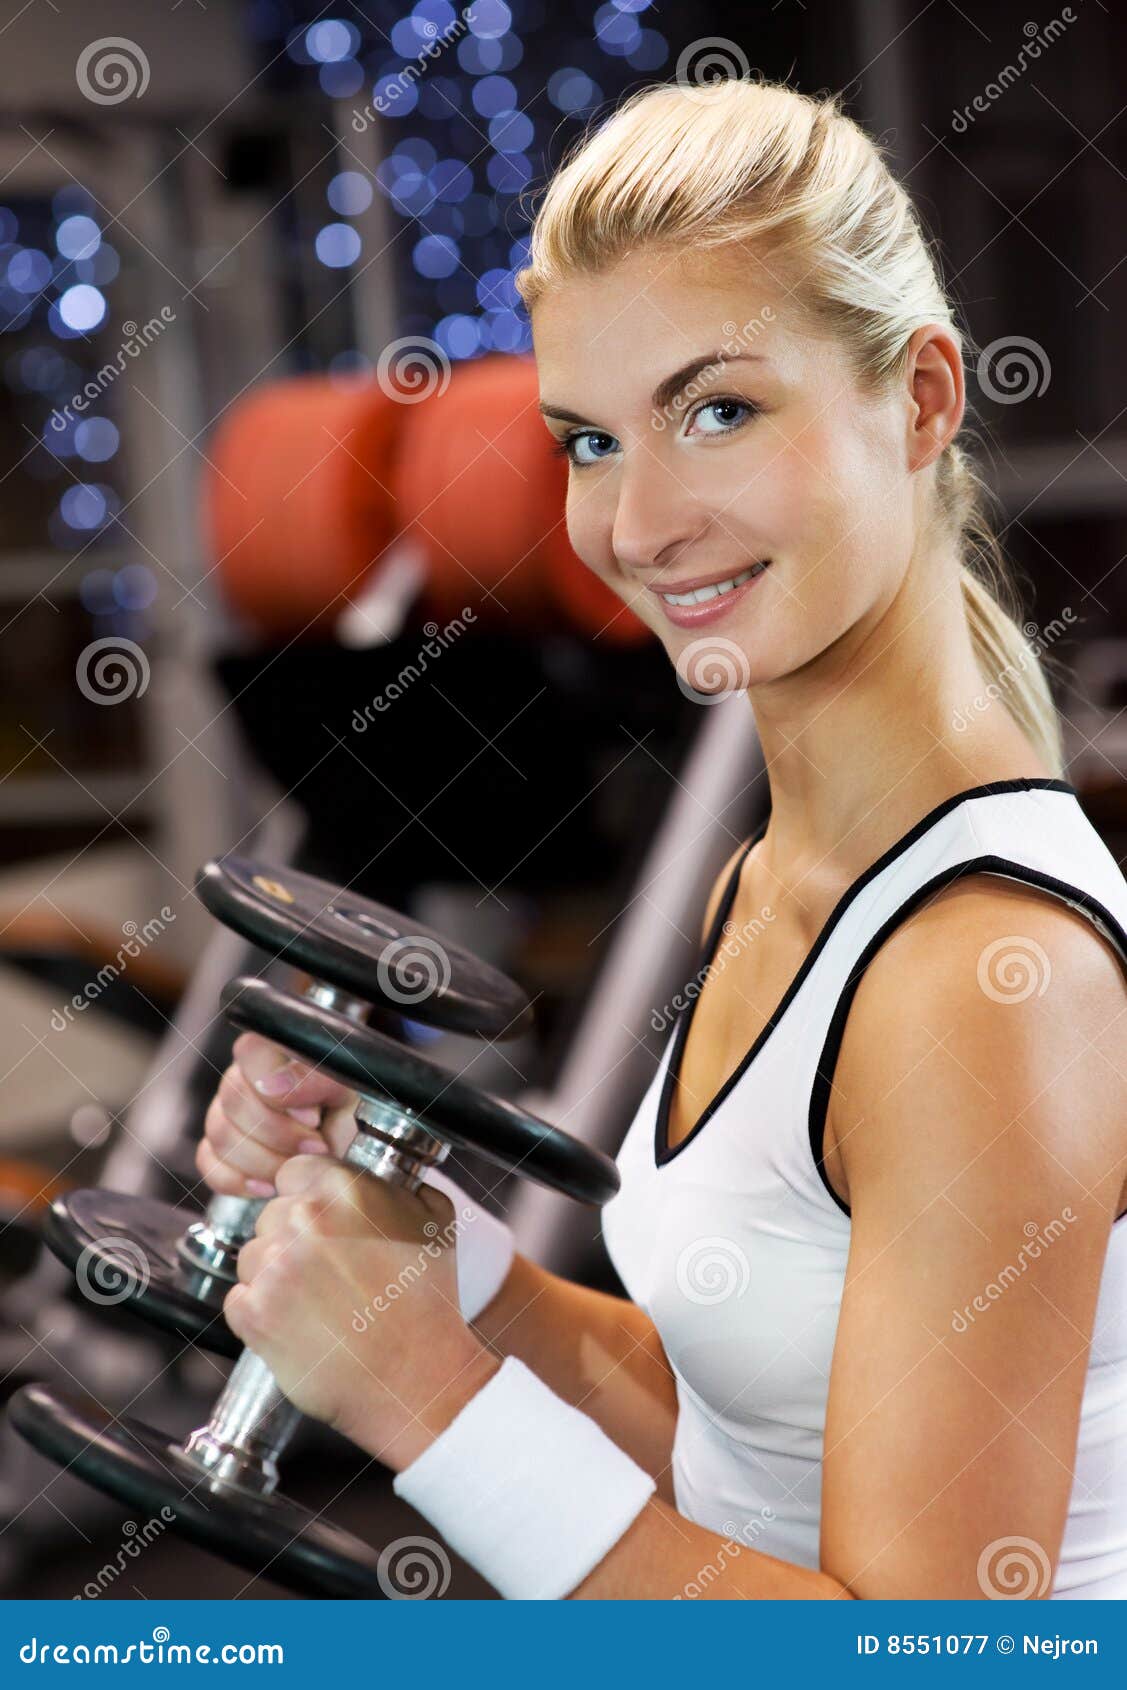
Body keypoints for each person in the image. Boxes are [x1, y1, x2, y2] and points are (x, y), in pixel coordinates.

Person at [201, 76, 1127, 1600]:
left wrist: (430, 1400)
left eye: (718, 413)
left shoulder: (984, 974)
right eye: (588, 441)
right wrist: (435, 1261)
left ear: (921, 400)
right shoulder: (773, 881)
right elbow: (750, 1439)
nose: (636, 526)